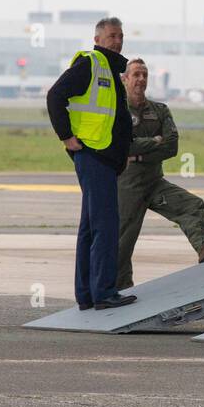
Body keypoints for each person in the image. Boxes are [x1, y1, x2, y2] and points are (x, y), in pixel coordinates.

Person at [116, 58, 204, 289]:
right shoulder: (118, 111)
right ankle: (117, 291)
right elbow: (122, 146)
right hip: (127, 184)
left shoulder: (159, 110)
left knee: (192, 205)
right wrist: (154, 142)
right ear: (125, 79)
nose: (141, 79)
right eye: (136, 75)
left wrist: (140, 151)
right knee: (123, 241)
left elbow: (171, 146)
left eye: (144, 75)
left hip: (154, 182)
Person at [46, 16, 136, 312]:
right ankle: (104, 292)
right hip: (93, 155)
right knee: (106, 226)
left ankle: (86, 294)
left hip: (104, 158)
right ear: (97, 39)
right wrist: (66, 136)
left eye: (120, 35)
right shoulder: (91, 64)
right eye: (111, 36)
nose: (117, 41)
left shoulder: (111, 70)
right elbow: (55, 95)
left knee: (90, 227)